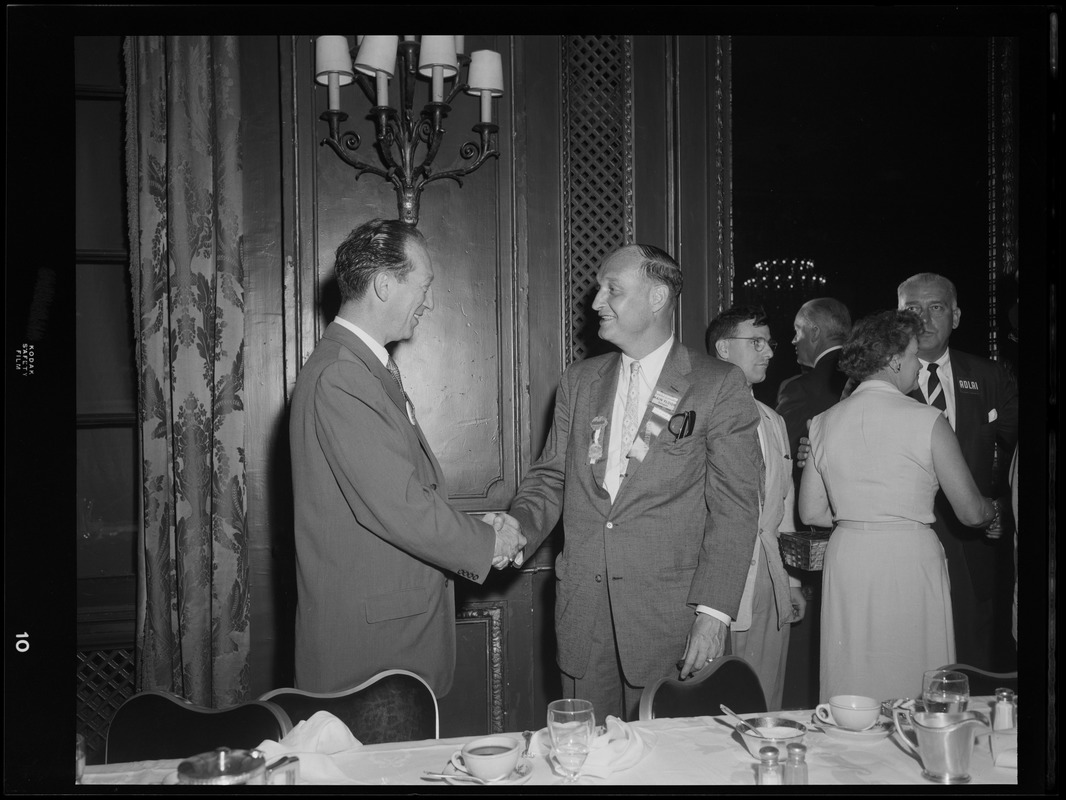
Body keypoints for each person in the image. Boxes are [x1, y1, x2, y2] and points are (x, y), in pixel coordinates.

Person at [500, 244, 764, 721]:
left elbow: (736, 508)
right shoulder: (579, 382)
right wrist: (516, 527)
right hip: (585, 619)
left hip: (670, 624)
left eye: (612, 290)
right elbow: (551, 477)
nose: (596, 301)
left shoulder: (718, 383)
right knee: (589, 763)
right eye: (600, 289)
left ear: (658, 296)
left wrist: (714, 614)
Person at [289, 219, 525, 696]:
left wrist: (483, 526)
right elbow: (401, 506)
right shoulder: (343, 375)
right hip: (372, 655)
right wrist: (489, 543)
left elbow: (403, 490)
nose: (430, 302)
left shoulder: (359, 366)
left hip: (388, 644)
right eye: (425, 285)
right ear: (383, 284)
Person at [799, 309, 1002, 703]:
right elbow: (970, 512)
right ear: (894, 360)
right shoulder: (927, 419)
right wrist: (993, 510)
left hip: (849, 557)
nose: (915, 365)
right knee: (914, 673)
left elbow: (812, 513)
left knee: (853, 671)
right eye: (912, 355)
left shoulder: (822, 421)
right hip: (908, 558)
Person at [897, 272, 1018, 671]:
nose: (925, 321)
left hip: (972, 545)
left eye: (937, 308)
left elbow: (1021, 455)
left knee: (969, 660)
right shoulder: (876, 381)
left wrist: (1002, 506)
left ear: (957, 315)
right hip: (901, 546)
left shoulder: (991, 377)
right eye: (913, 309)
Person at [706, 305, 806, 712]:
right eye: (757, 343)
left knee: (765, 698)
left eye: (770, 344)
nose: (768, 353)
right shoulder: (696, 415)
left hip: (767, 577)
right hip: (711, 579)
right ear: (724, 349)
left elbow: (785, 504)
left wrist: (793, 582)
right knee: (710, 700)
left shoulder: (772, 420)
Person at [775, 298, 852, 469]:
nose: (794, 340)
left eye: (797, 331)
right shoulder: (866, 376)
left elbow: (778, 451)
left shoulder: (801, 389)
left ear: (815, 332)